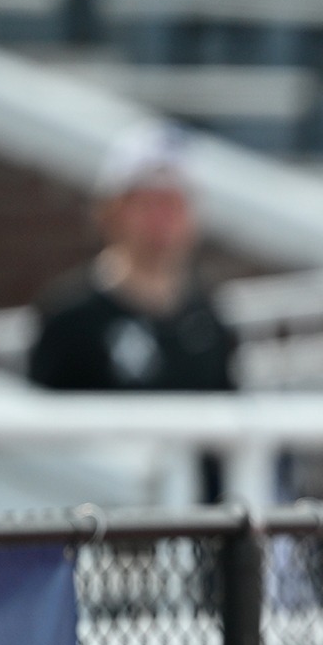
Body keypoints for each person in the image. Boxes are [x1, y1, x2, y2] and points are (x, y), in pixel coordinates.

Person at [27, 124, 238, 500]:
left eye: (174, 204)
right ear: (112, 211)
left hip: (199, 533)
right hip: (101, 531)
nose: (163, 221)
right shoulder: (69, 317)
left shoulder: (210, 320)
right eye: (148, 204)